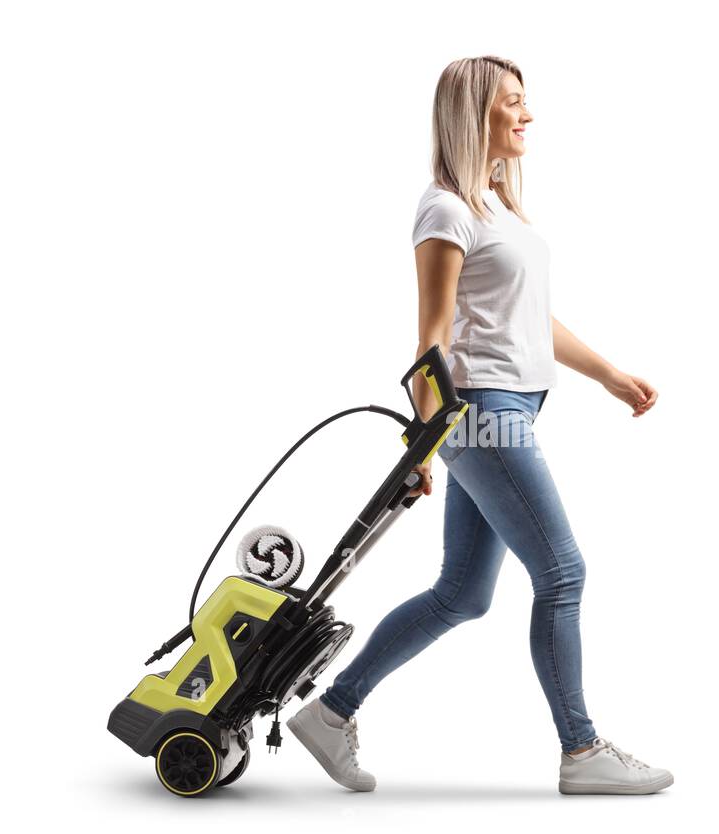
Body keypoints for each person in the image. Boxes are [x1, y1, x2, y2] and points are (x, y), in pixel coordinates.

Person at [287, 56, 672, 796]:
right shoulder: (446, 210)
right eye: (513, 104)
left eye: (527, 103)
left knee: (462, 594)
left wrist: (611, 376)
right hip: (484, 415)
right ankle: (582, 750)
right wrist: (422, 442)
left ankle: (331, 715)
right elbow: (430, 339)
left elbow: (529, 318)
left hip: (515, 407)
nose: (527, 116)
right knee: (562, 573)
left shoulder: (496, 206)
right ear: (474, 115)